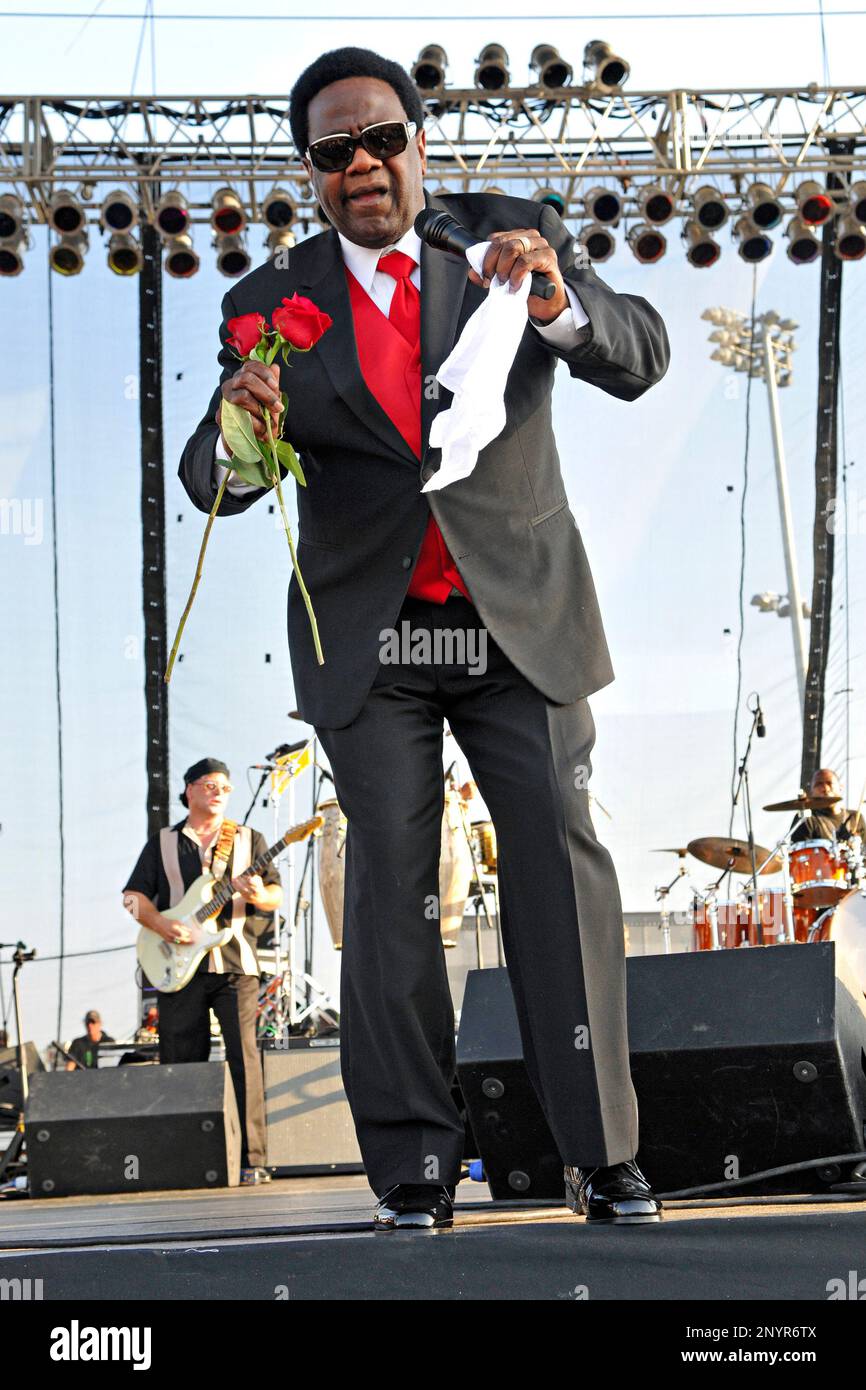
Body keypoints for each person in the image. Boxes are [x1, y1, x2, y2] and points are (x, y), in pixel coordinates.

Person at [179, 48, 670, 1230]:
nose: (362, 166)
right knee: (388, 898)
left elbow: (640, 353)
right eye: (333, 150)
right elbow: (209, 477)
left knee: (559, 864)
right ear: (310, 170)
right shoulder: (266, 302)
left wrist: (553, 299)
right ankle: (409, 1169)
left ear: (418, 139)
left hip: (520, 622)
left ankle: (601, 1155)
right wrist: (244, 436)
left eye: (381, 137)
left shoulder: (505, 236)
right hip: (373, 641)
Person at [122, 758, 282, 1185]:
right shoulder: (163, 842)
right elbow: (132, 898)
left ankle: (253, 1159)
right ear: (189, 790)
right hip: (178, 965)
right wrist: (163, 925)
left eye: (225, 787)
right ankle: (182, 1157)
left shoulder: (249, 839)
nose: (218, 792)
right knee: (180, 1059)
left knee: (244, 1056)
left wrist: (259, 892)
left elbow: (275, 895)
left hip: (235, 963)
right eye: (210, 785)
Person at [791, 768, 866, 844]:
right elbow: (798, 854)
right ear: (811, 791)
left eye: (829, 783)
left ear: (841, 787)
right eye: (818, 784)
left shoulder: (856, 817)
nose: (825, 788)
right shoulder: (806, 818)